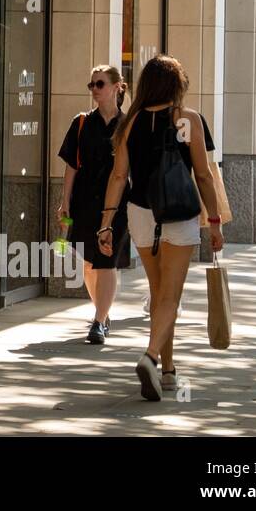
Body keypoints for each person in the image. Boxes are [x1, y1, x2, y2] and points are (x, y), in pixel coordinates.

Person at [100, 54, 224, 401]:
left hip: (140, 211)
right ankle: (151, 357)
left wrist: (106, 223)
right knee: (171, 295)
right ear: (177, 84)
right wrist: (214, 222)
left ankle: (167, 372)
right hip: (180, 212)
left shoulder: (132, 122)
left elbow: (119, 175)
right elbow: (202, 174)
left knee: (159, 293)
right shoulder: (188, 120)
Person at [57, 65, 130, 344]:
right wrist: (65, 203)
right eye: (92, 85)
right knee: (88, 264)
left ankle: (99, 322)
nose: (94, 90)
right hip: (85, 201)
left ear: (116, 87)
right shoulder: (81, 123)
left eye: (99, 84)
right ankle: (103, 310)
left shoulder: (127, 125)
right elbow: (72, 167)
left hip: (117, 204)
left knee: (106, 261)